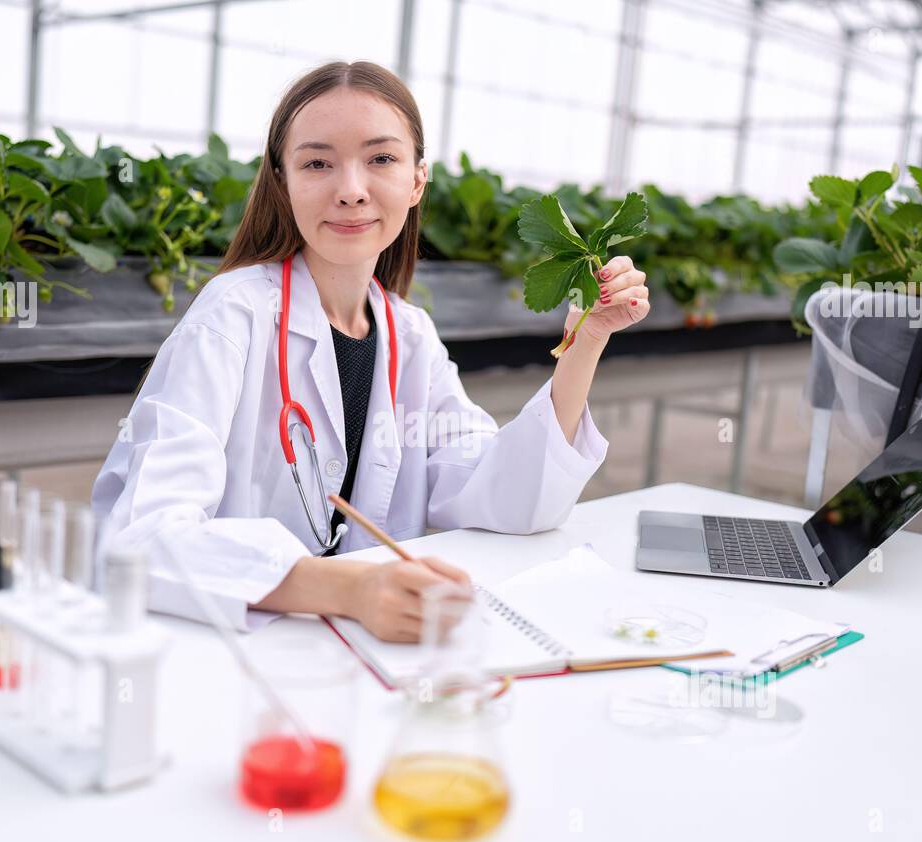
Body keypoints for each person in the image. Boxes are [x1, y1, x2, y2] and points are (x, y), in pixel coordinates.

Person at [91, 60, 650, 642]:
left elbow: (507, 498)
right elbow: (144, 536)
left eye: (380, 159)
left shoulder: (411, 336)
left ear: (416, 182)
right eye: (317, 163)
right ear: (283, 184)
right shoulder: (232, 315)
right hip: (234, 655)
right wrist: (351, 590)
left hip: (359, 656)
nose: (351, 190)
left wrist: (586, 342)